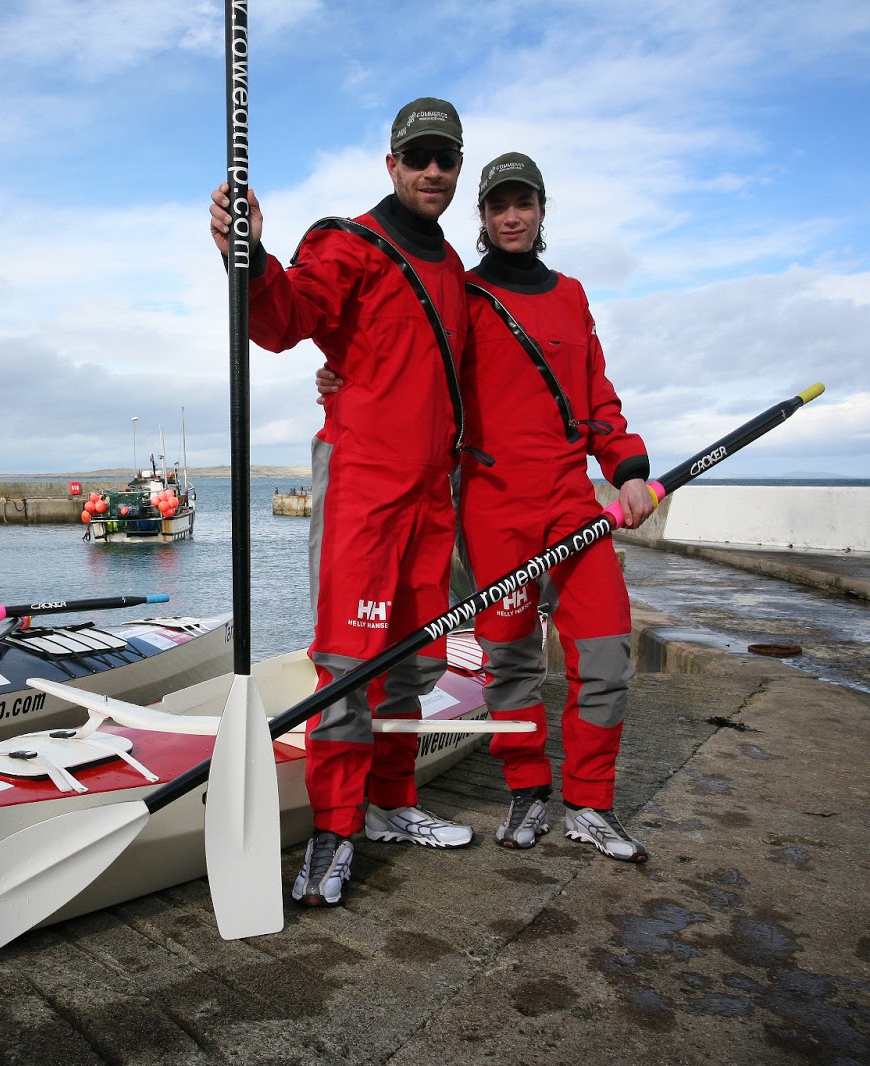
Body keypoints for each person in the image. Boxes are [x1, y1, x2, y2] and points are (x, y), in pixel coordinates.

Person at [317, 151, 656, 862]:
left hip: (572, 503)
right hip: (493, 505)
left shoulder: (571, 295)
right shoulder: (458, 294)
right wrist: (342, 377)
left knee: (606, 655)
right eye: (498, 205)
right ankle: (528, 792)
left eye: (523, 204)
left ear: (540, 211)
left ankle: (592, 804)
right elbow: (404, 362)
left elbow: (597, 395)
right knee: (509, 664)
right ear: (481, 215)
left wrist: (627, 469)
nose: (511, 216)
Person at [209, 98, 479, 907]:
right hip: (364, 485)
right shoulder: (349, 243)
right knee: (350, 667)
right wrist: (248, 256)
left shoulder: (455, 272)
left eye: (447, 158)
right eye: (419, 156)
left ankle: (393, 804)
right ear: (392, 165)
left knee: (415, 662)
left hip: (436, 496)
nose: (433, 171)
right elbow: (286, 320)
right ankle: (334, 833)